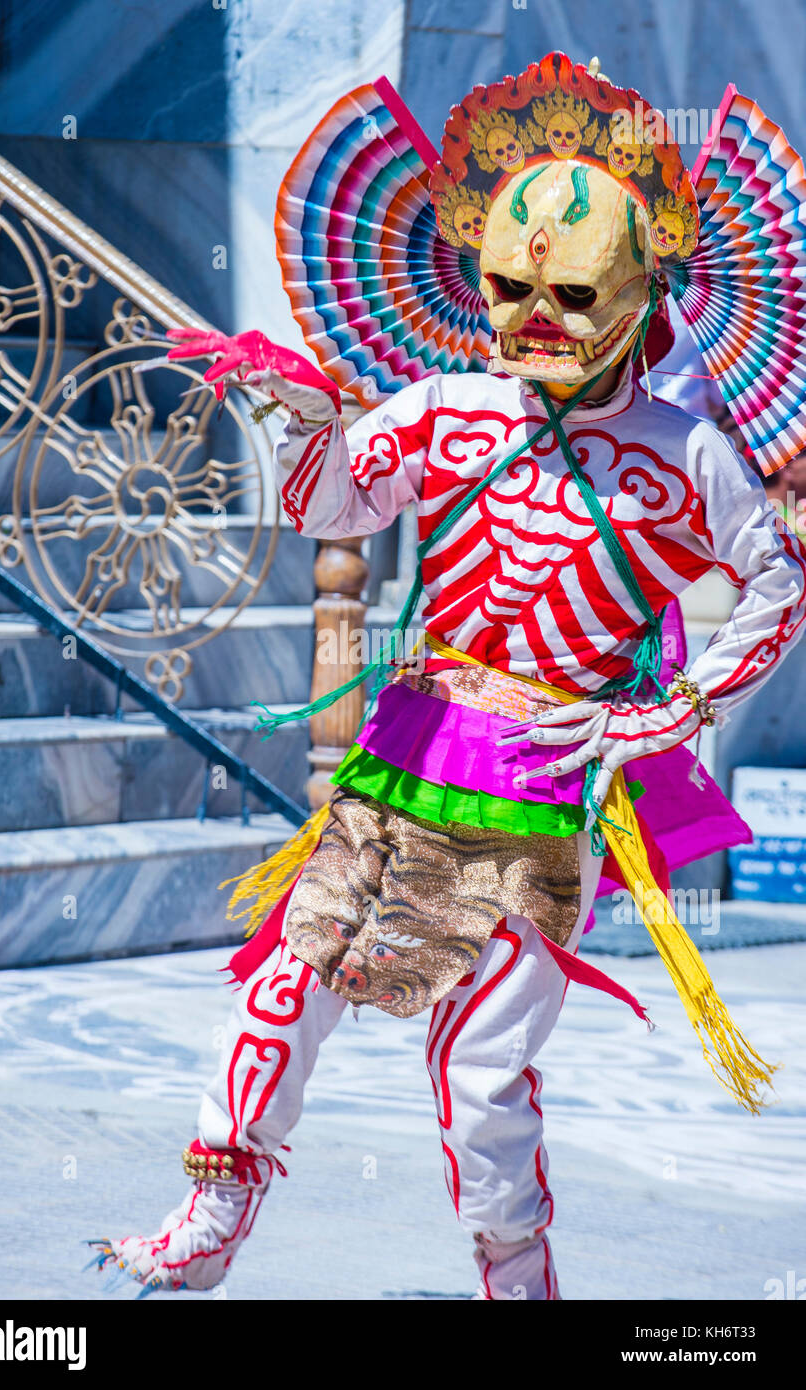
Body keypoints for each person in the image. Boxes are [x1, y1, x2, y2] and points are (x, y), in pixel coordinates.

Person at [89, 52, 806, 1300]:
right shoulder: (448, 407)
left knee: (478, 1076)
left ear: (641, 293)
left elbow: (778, 582)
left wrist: (666, 712)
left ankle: (515, 1282)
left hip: (538, 798)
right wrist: (303, 420)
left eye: (574, 293)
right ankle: (206, 1224)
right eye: (512, 285)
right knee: (281, 985)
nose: (539, 320)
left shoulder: (685, 452)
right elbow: (334, 504)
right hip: (396, 770)